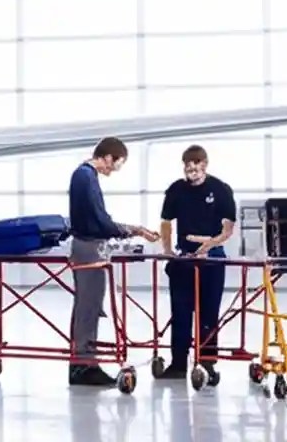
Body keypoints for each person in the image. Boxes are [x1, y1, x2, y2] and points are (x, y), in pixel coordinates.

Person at [66, 136, 158, 387]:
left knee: (91, 306)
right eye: (117, 163)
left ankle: (85, 360)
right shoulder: (85, 176)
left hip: (90, 246)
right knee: (88, 306)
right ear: (108, 157)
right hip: (88, 248)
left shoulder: (86, 176)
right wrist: (133, 230)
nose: (115, 169)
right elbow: (99, 220)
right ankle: (83, 365)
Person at [155, 144, 236, 381]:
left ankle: (207, 363)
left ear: (205, 165)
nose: (191, 172)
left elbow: (228, 228)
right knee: (181, 311)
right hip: (184, 258)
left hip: (212, 258)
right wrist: (169, 250)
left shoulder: (220, 189)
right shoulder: (176, 190)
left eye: (196, 167)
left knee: (209, 312)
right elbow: (166, 222)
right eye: (187, 167)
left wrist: (209, 244)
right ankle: (178, 363)